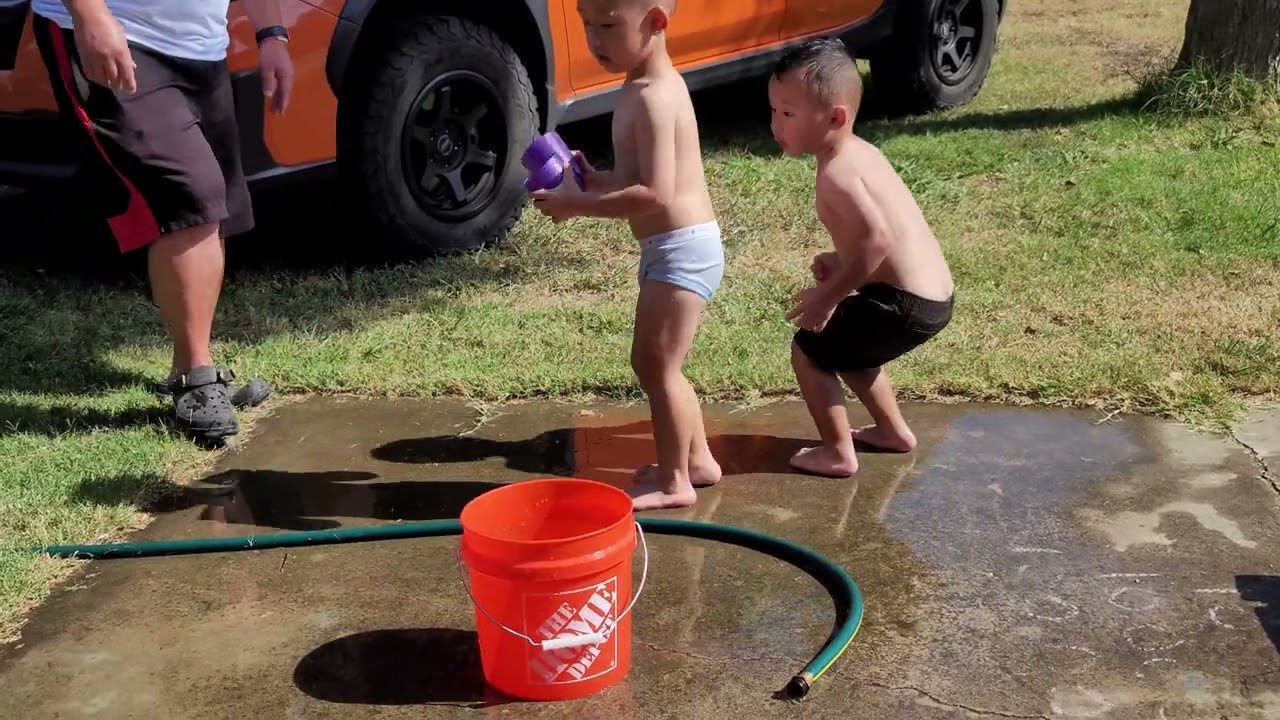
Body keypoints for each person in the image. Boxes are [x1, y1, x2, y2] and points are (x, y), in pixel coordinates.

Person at [0, 0, 293, 445]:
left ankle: (188, 369)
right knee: (193, 193)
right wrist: (92, 17)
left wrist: (272, 35)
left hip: (202, 46)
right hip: (120, 35)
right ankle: (198, 380)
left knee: (213, 202)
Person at [529, 0, 724, 511]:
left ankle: (675, 481)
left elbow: (658, 194)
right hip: (671, 248)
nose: (595, 39)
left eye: (609, 26)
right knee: (665, 364)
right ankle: (697, 460)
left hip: (682, 250)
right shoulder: (638, 88)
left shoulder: (656, 98)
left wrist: (579, 205)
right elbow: (638, 179)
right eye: (586, 25)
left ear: (657, 22)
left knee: (655, 365)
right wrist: (596, 180)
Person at [769, 38, 955, 478]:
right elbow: (884, 236)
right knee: (851, 350)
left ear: (835, 117)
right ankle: (892, 432)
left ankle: (837, 452)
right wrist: (841, 258)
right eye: (774, 110)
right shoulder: (862, 154)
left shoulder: (837, 175)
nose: (777, 124)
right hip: (929, 297)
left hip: (902, 303)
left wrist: (827, 296)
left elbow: (877, 240)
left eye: (789, 114)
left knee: (809, 353)